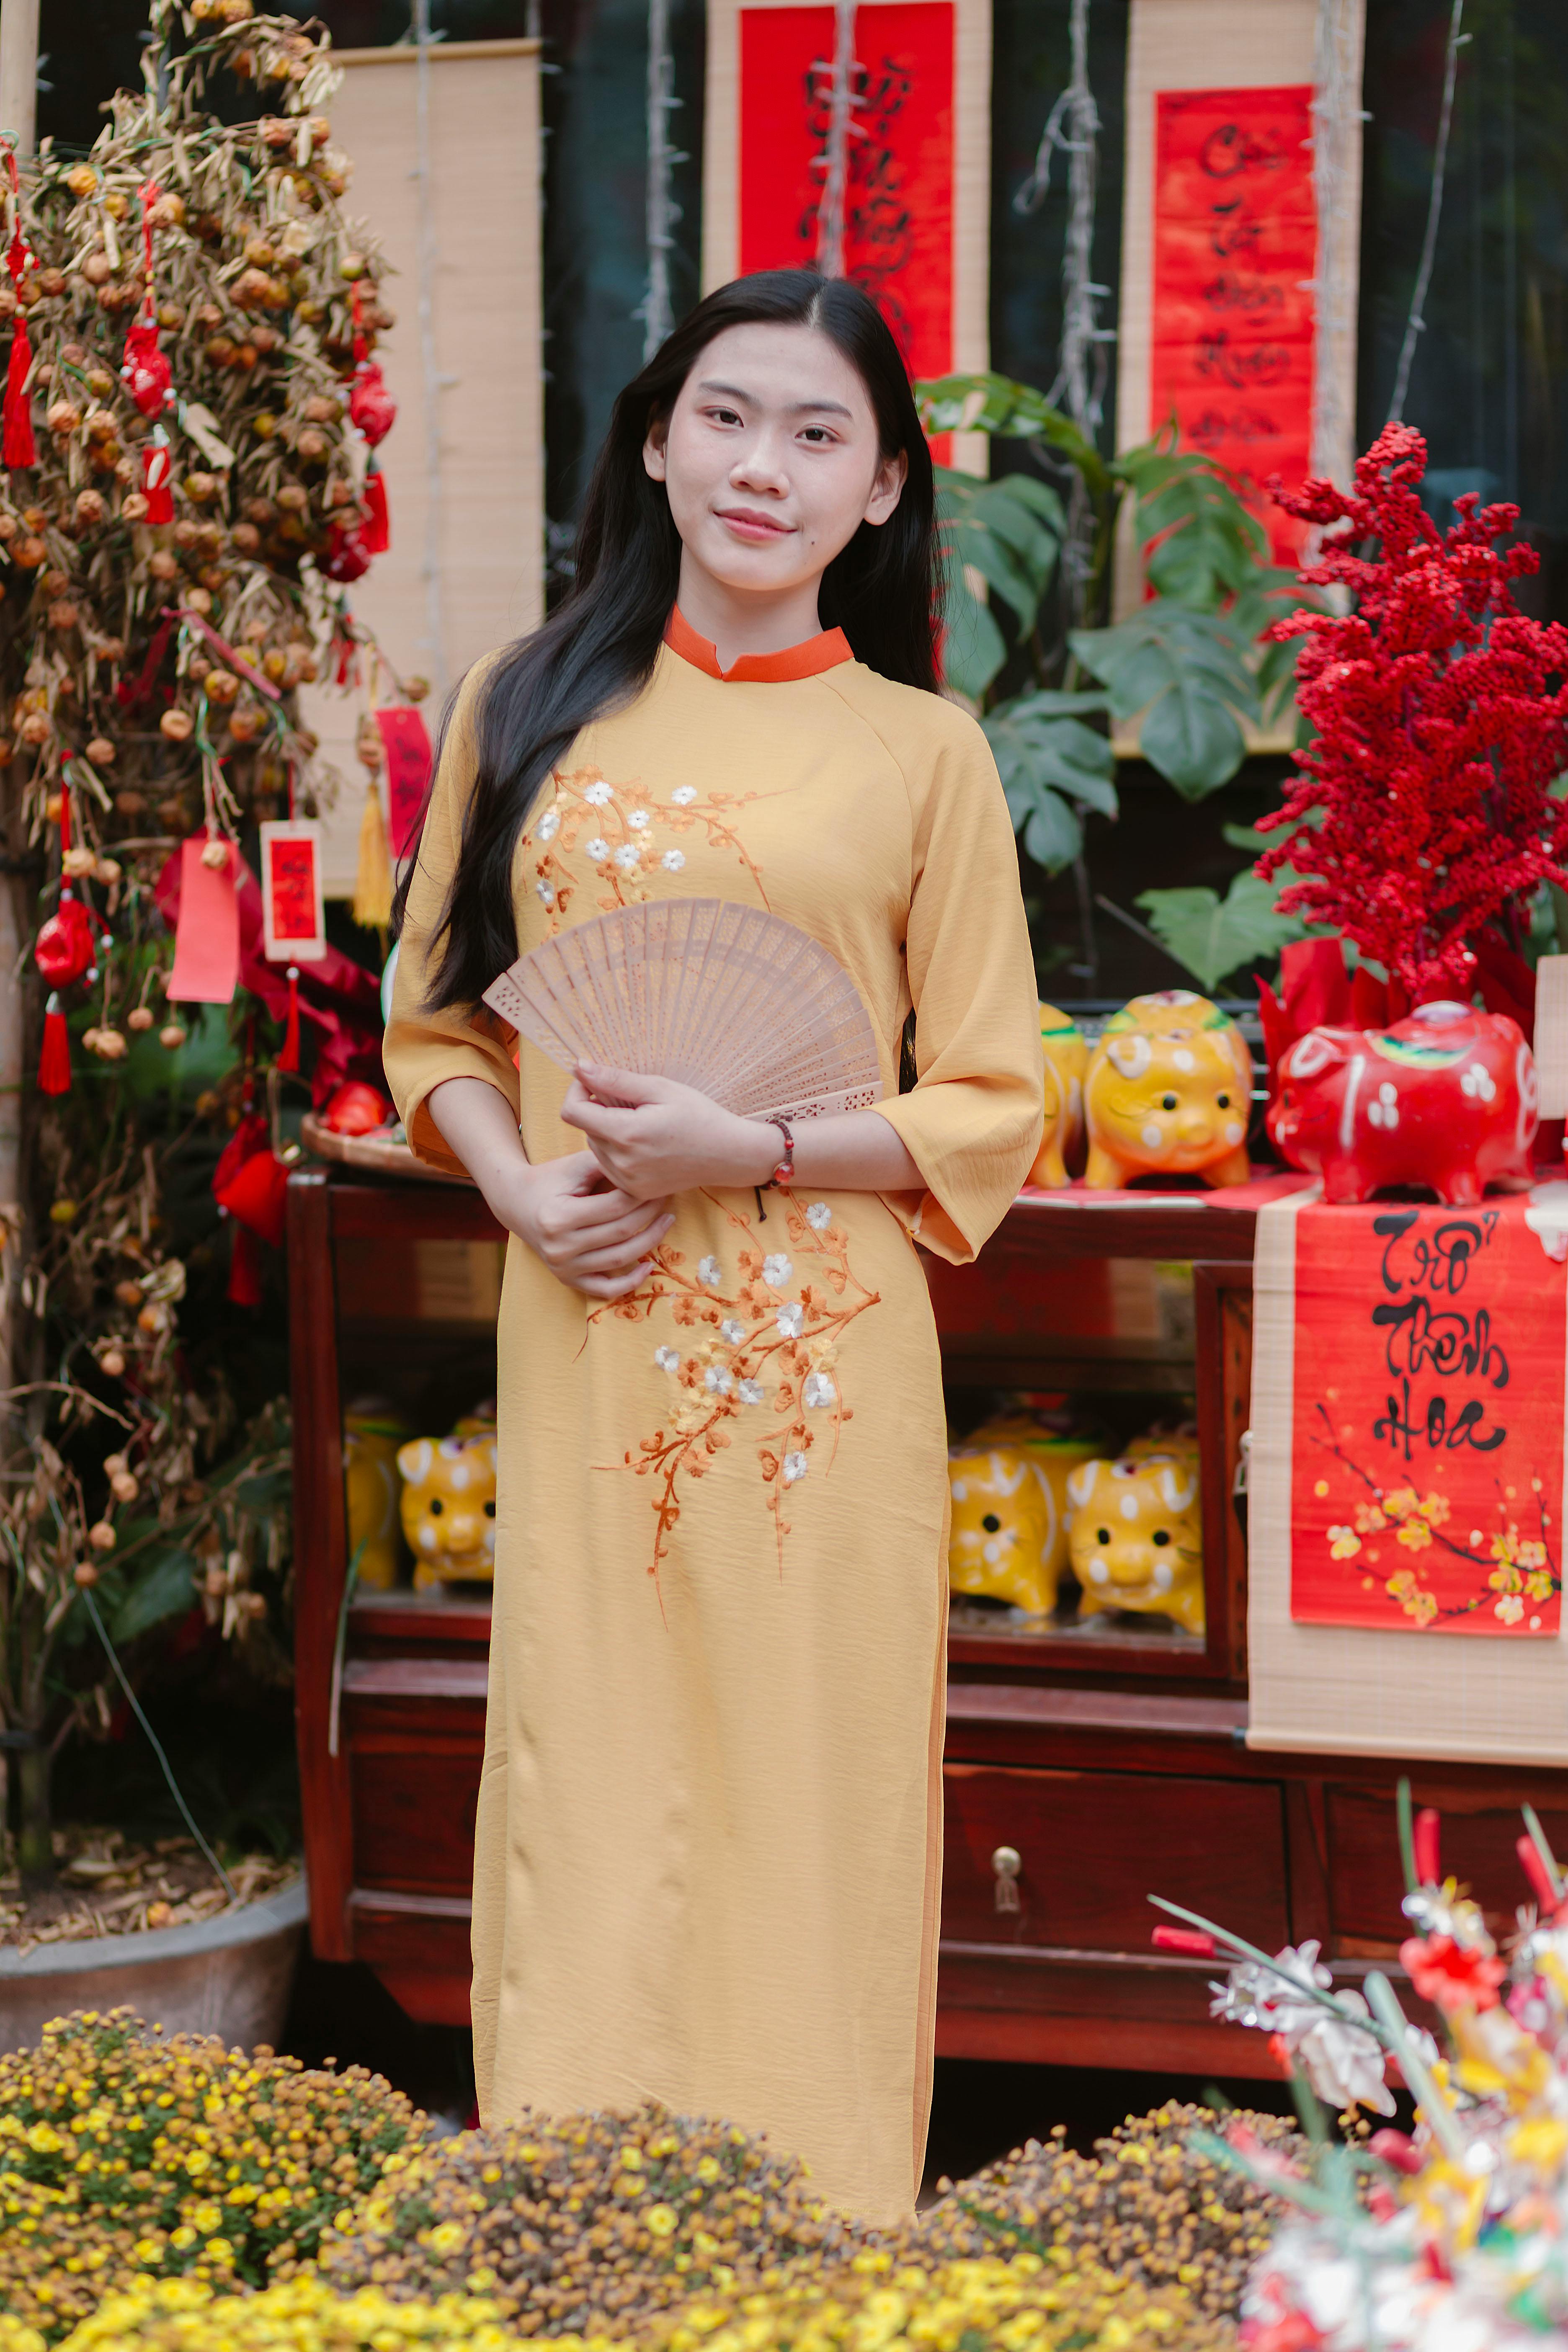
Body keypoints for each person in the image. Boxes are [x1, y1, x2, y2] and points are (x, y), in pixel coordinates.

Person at [383, 268, 1043, 2223]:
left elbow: (992, 1099)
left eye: (819, 433)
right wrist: (517, 1183)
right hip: (586, 1317)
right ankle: (572, 2229)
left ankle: (819, 2235)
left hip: (824, 1349)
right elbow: (434, 1030)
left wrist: (747, 1140)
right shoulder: (524, 706)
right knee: (589, 1782)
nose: (766, 465)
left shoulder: (927, 753)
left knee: (806, 1790)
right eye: (729, 416)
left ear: (887, 494)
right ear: (658, 441)